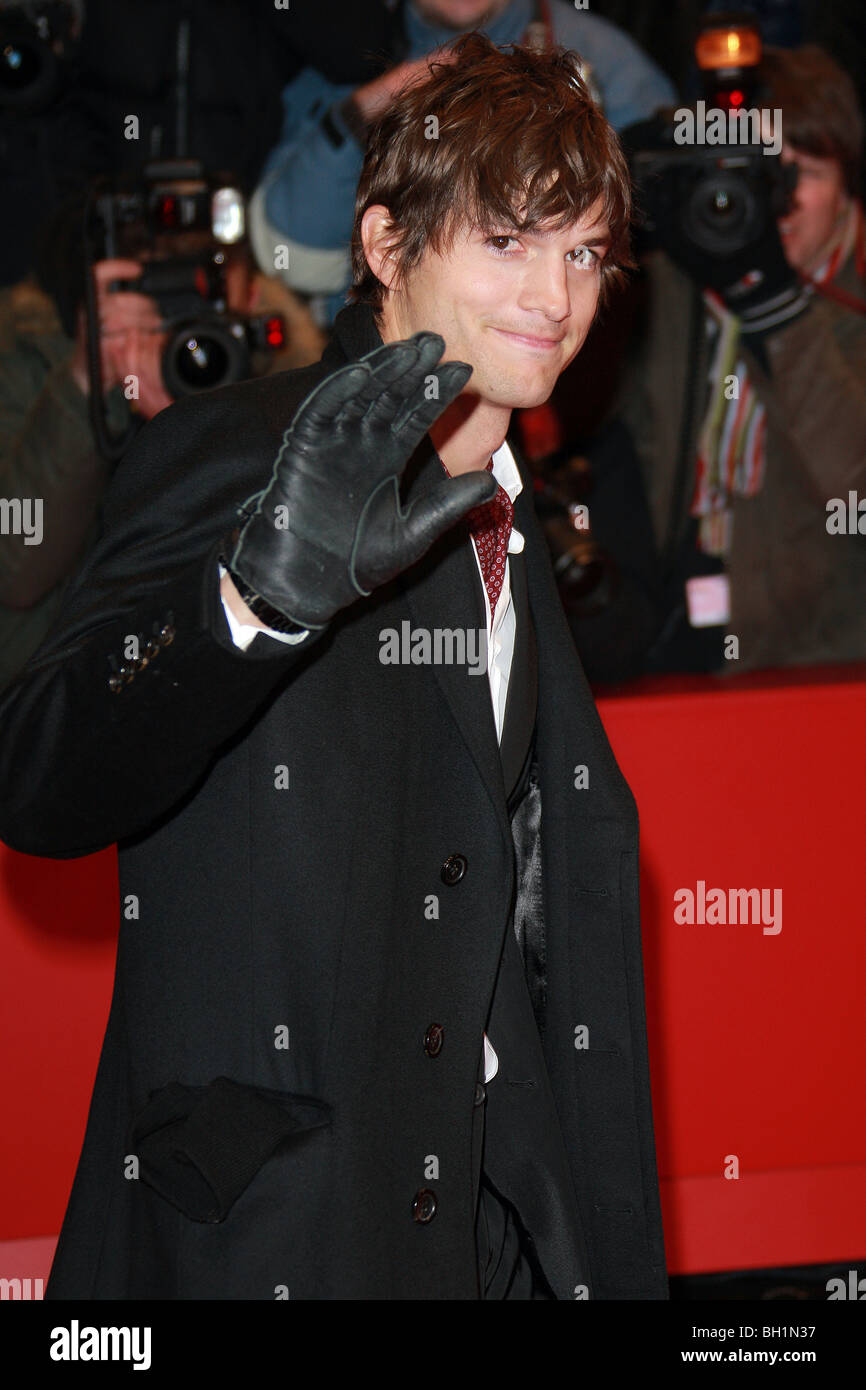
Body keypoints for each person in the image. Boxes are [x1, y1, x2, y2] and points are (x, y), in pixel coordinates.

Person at [0, 34, 666, 1300]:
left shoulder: (514, 525)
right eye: (508, 240)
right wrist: (249, 598)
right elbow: (40, 774)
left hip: (482, 1224)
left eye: (582, 252)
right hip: (266, 1231)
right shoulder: (235, 456)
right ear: (382, 246)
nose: (554, 296)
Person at [618, 44, 866, 675]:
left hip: (823, 655)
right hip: (677, 625)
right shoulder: (676, 278)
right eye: (756, 170)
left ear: (846, 180)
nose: (775, 202)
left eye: (801, 173)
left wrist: (777, 312)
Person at [0, 236, 325, 693]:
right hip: (59, 692)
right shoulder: (34, 358)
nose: (181, 327)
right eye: (163, 298)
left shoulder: (299, 382)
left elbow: (289, 587)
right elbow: (16, 565)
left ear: (251, 296)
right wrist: (84, 385)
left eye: (206, 297)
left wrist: (186, 438)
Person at [250, 0, 676, 322]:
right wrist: (365, 112)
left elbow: (680, 210)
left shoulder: (598, 57)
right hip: (385, 366)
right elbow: (288, 254)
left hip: (567, 385)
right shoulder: (345, 53)